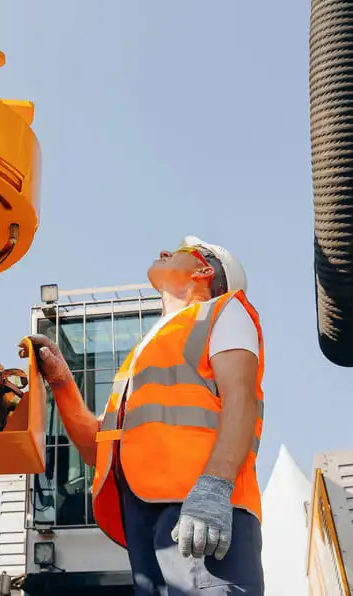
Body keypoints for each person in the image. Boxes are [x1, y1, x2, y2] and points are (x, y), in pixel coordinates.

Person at [20, 236, 265, 595]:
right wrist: (61, 382)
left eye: (178, 252)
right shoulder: (141, 356)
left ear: (204, 270)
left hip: (201, 508)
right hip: (147, 519)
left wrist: (214, 487)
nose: (164, 252)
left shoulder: (223, 311)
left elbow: (240, 397)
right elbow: (98, 449)